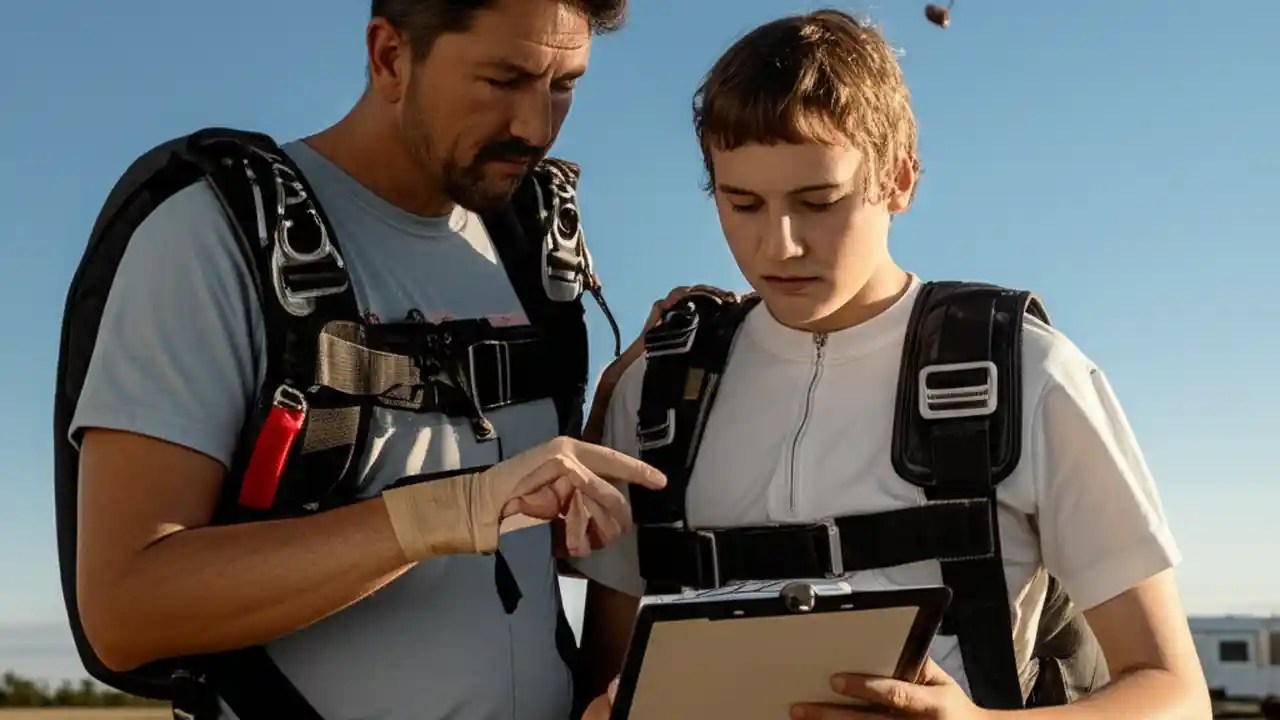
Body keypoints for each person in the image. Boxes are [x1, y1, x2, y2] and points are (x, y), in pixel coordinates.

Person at [55, 0, 691, 718]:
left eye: (563, 85)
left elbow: (543, 559)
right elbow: (126, 612)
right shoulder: (212, 238)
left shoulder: (538, 247)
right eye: (502, 80)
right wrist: (449, 512)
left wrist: (639, 398)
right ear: (390, 56)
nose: (535, 127)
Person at [573, 9, 1213, 720]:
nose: (778, 245)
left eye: (818, 202)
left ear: (900, 179)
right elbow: (604, 677)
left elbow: (1176, 695)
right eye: (742, 202)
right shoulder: (660, 392)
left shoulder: (1028, 373)